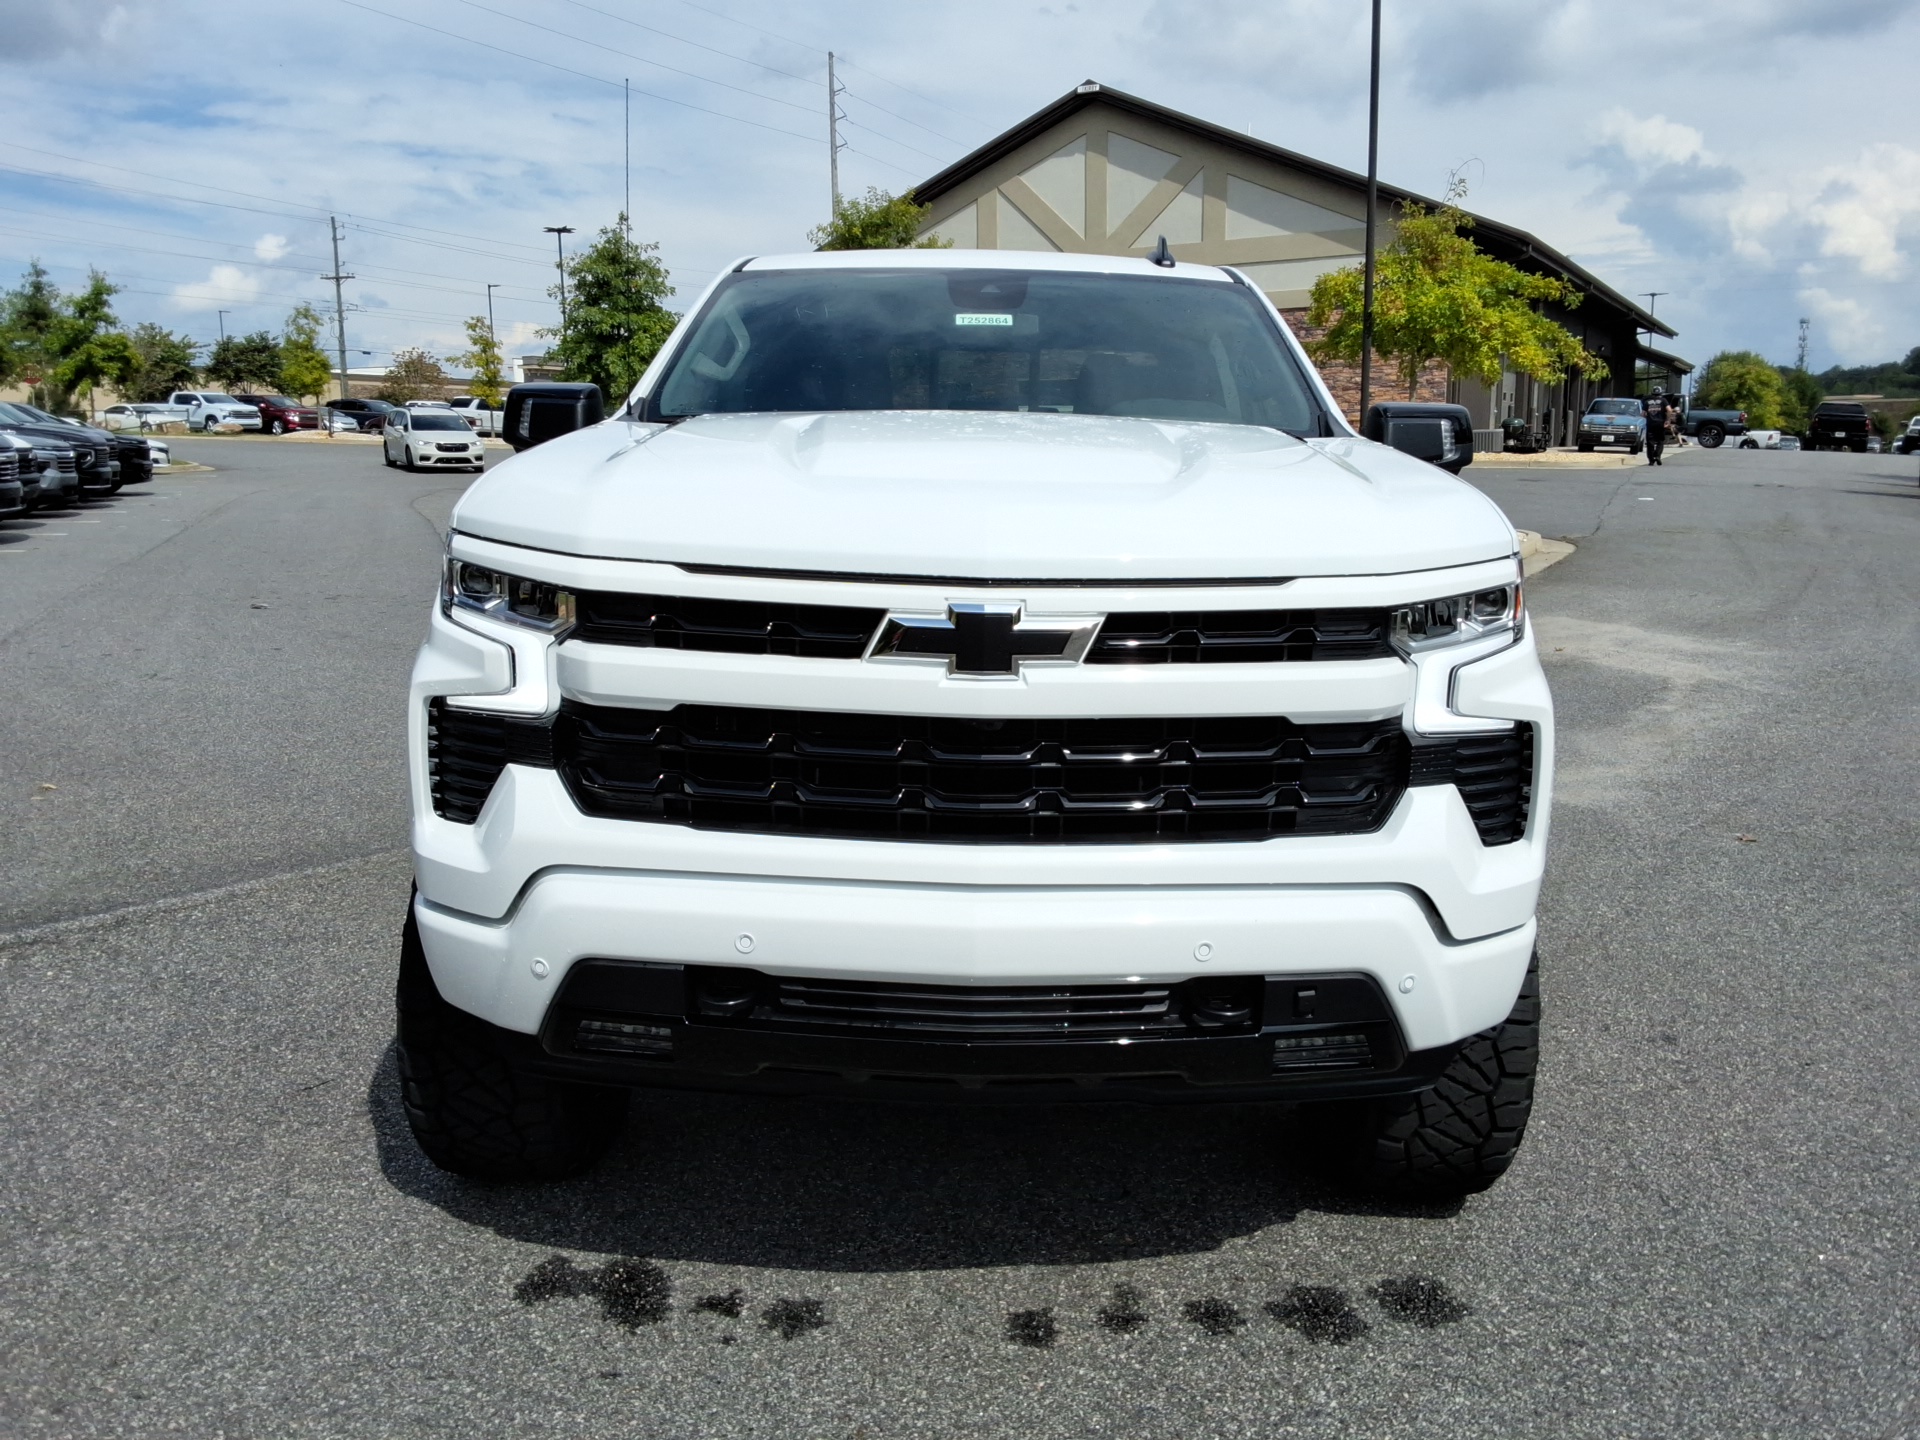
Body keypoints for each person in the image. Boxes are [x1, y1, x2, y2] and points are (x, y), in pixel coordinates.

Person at [1643, 388, 1671, 465]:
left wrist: (1647, 417)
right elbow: (1669, 410)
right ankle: (1658, 456)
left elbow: (1643, 413)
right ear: (1660, 393)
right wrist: (1667, 420)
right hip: (1660, 423)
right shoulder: (1663, 400)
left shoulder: (1647, 402)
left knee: (1650, 442)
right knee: (1660, 441)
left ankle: (1651, 460)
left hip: (1650, 424)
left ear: (1652, 393)